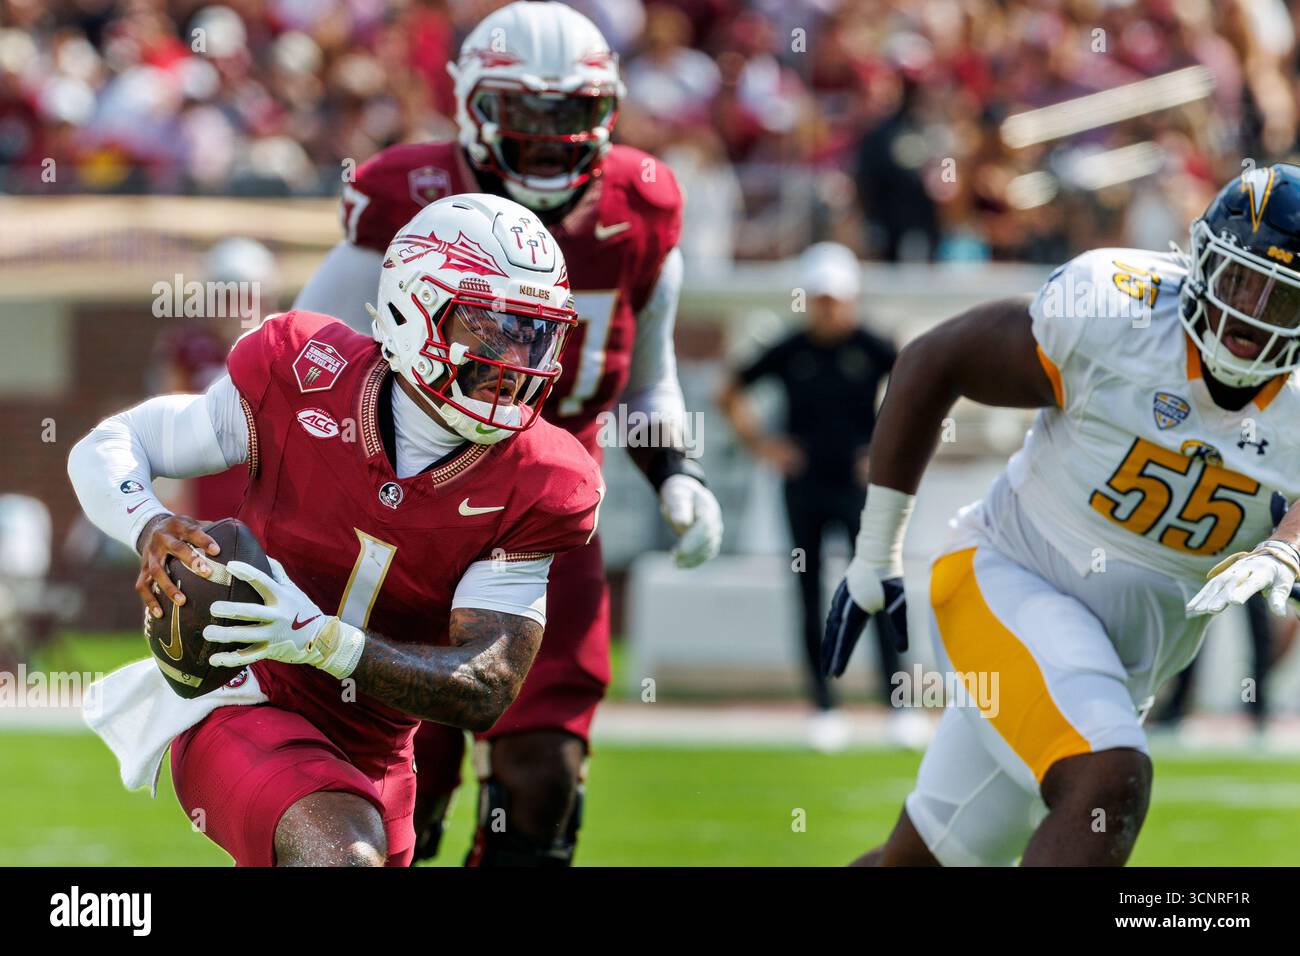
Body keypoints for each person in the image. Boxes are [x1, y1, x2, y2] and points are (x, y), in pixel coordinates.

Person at [292, 1, 723, 865]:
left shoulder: (637, 209)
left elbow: (648, 375)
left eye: (572, 111)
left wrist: (677, 469)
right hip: (419, 505)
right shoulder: (403, 198)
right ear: (471, 105)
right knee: (415, 767)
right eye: (525, 112)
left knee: (544, 773)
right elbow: (311, 355)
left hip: (548, 513)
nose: (551, 137)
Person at [68, 193, 604, 866]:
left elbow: (484, 685)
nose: (514, 358)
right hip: (246, 698)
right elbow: (113, 444)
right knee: (339, 858)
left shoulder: (542, 477)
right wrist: (147, 524)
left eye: (534, 333)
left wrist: (321, 639)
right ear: (413, 307)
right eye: (491, 328)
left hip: (379, 751)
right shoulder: (303, 371)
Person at [823, 163, 1300, 865]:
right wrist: (876, 551)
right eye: (1237, 280)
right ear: (1200, 261)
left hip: (1119, 660)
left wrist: (1287, 548)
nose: (1248, 317)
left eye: (1280, 298)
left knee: (922, 861)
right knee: (1109, 778)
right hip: (1007, 577)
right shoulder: (1117, 314)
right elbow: (934, 360)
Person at [718, 242, 901, 752]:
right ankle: (824, 705)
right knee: (808, 593)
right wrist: (763, 446)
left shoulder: (873, 346)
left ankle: (897, 703)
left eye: (836, 299)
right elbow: (729, 389)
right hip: (803, 486)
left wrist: (885, 449)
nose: (828, 308)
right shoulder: (790, 349)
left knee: (879, 587)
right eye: (820, 298)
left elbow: (918, 390)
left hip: (860, 486)